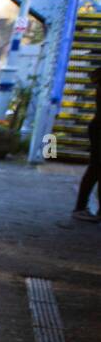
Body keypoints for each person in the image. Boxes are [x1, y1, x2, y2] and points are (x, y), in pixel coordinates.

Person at [72, 61, 101, 222]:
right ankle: (80, 207)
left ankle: (82, 207)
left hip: (97, 126)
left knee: (96, 168)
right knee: (96, 168)